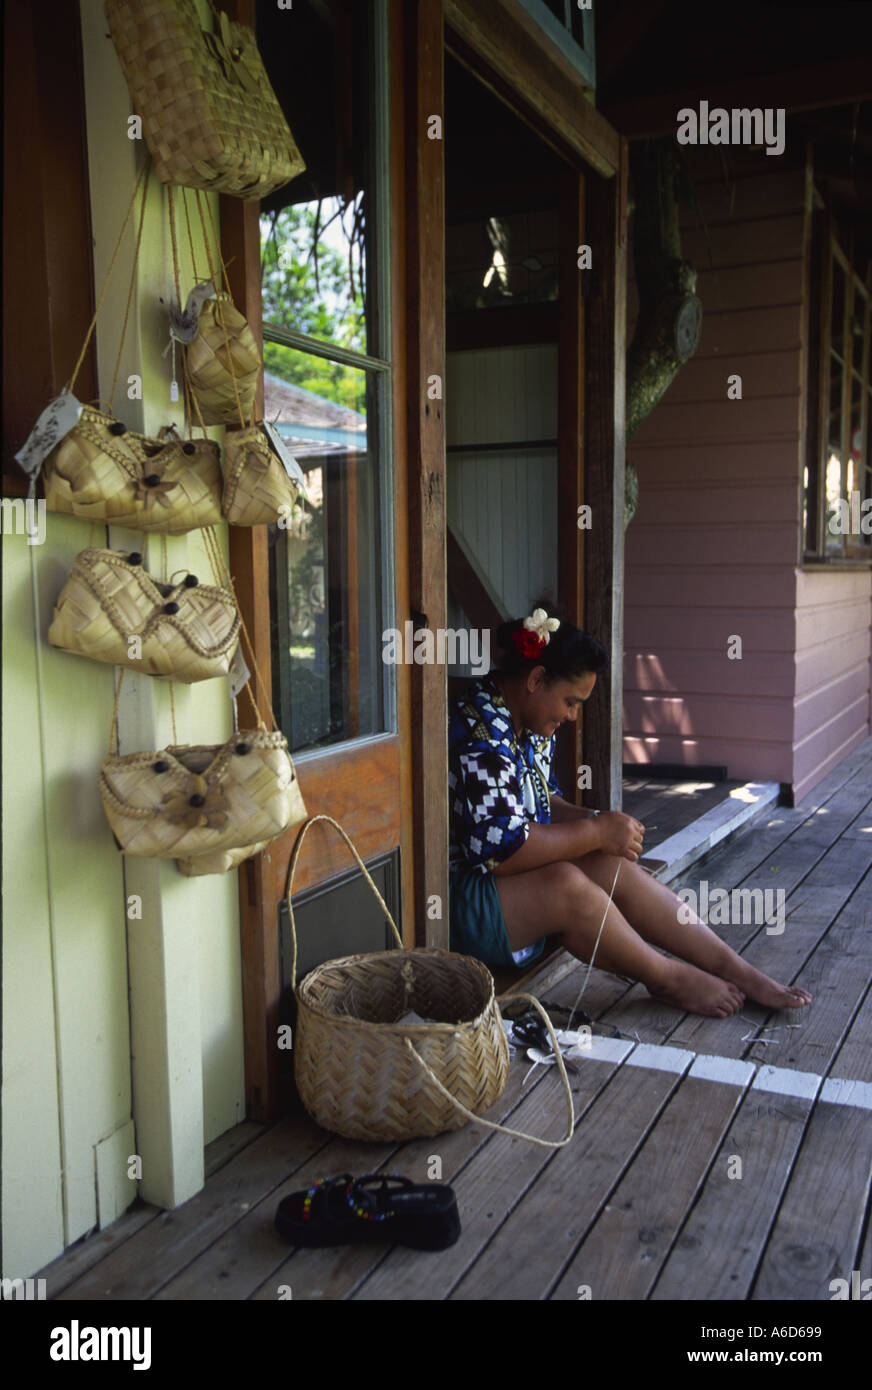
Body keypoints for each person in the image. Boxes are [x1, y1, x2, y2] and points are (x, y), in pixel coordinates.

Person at [448, 603, 812, 1019]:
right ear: (535, 679)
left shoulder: (524, 721)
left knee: (606, 863)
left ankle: (739, 971)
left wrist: (598, 825)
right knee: (568, 882)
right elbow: (503, 850)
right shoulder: (480, 731)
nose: (571, 715)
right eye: (570, 701)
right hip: (461, 901)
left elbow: (545, 804)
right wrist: (597, 831)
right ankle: (667, 978)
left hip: (507, 887)